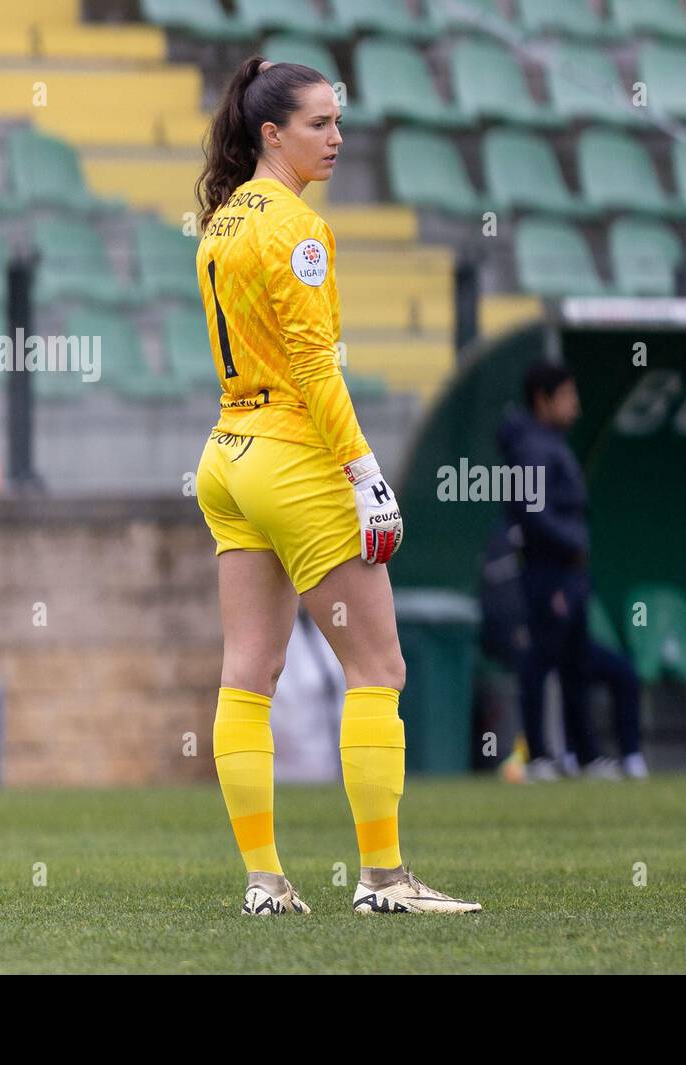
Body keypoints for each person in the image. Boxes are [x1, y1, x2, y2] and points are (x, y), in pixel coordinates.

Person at [193, 57, 480, 916]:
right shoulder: (298, 226)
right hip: (291, 454)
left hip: (227, 454)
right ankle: (384, 878)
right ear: (271, 133)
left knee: (246, 674)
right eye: (319, 123)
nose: (337, 138)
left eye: (338, 121)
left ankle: (265, 882)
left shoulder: (218, 220)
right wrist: (366, 472)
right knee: (378, 666)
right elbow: (317, 367)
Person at [496, 362, 647, 782]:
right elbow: (533, 512)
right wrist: (571, 543)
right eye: (567, 396)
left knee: (576, 662)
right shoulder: (532, 448)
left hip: (569, 575)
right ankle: (540, 756)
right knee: (541, 660)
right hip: (550, 574)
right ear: (543, 400)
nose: (575, 406)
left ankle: (585, 755)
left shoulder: (548, 444)